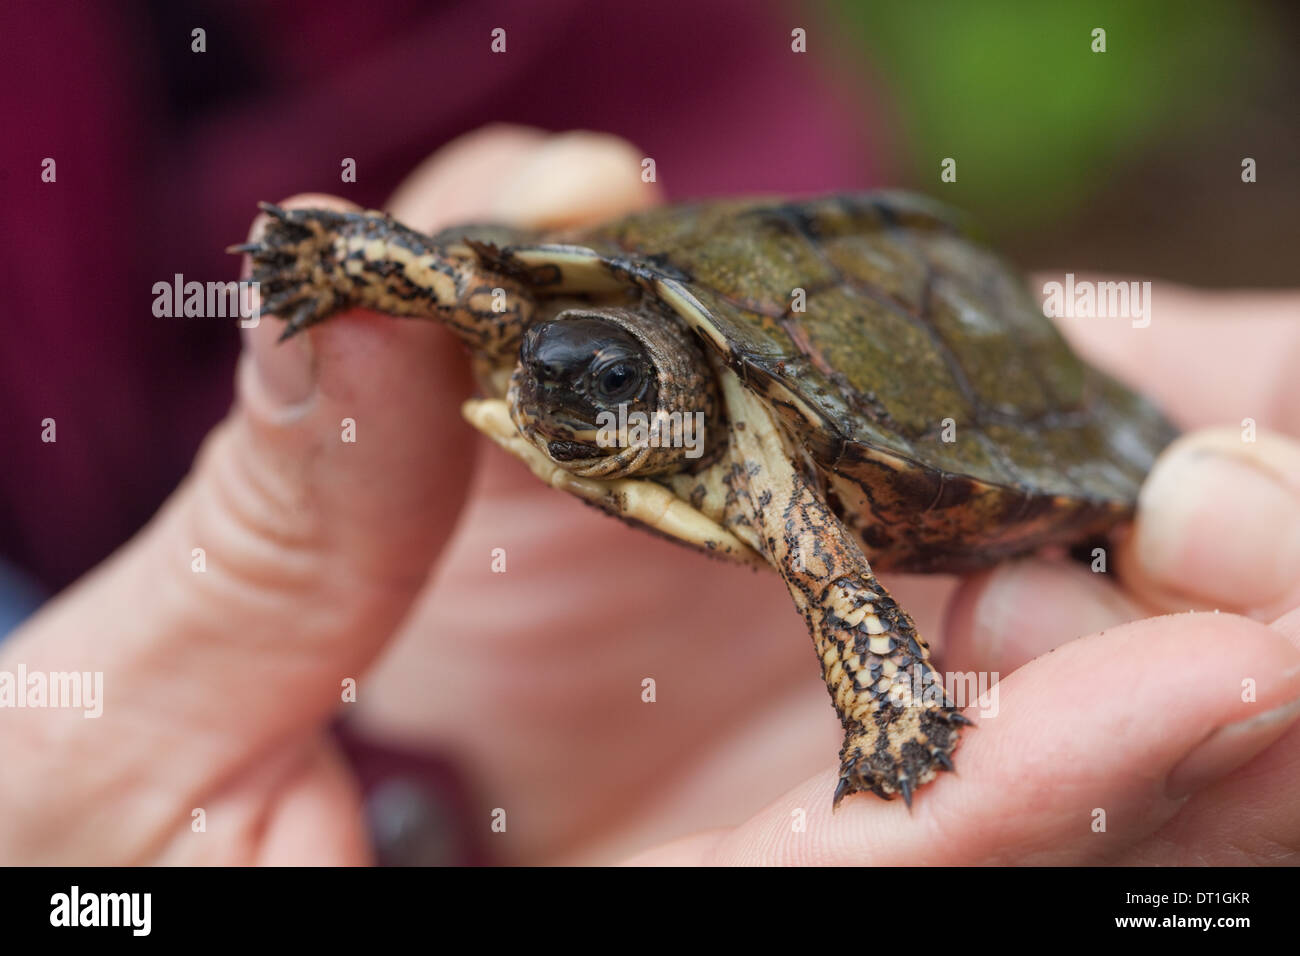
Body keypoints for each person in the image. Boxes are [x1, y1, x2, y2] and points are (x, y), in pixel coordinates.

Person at [2, 127, 1297, 865]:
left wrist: (896, 727)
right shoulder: (534, 323)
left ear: (666, 394)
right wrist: (338, 258)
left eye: (604, 389)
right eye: (554, 378)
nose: (559, 394)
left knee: (1147, 543)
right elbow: (473, 287)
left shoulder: (757, 452)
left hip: (919, 341)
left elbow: (831, 569)